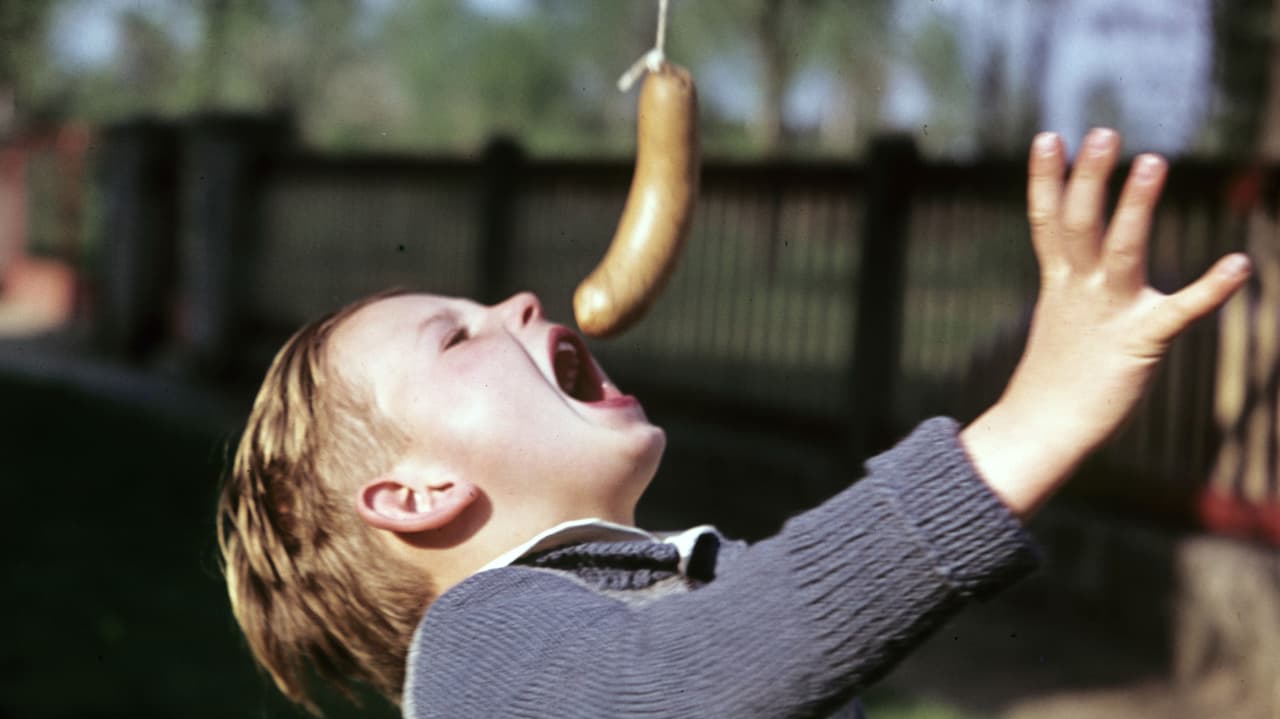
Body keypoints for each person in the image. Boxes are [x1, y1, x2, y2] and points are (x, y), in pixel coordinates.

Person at [217, 129, 1253, 718]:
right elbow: (689, 677)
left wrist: (1002, 395)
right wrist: (1029, 421)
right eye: (456, 337)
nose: (521, 304)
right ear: (416, 492)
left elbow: (774, 623)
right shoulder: (475, 651)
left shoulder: (683, 587)